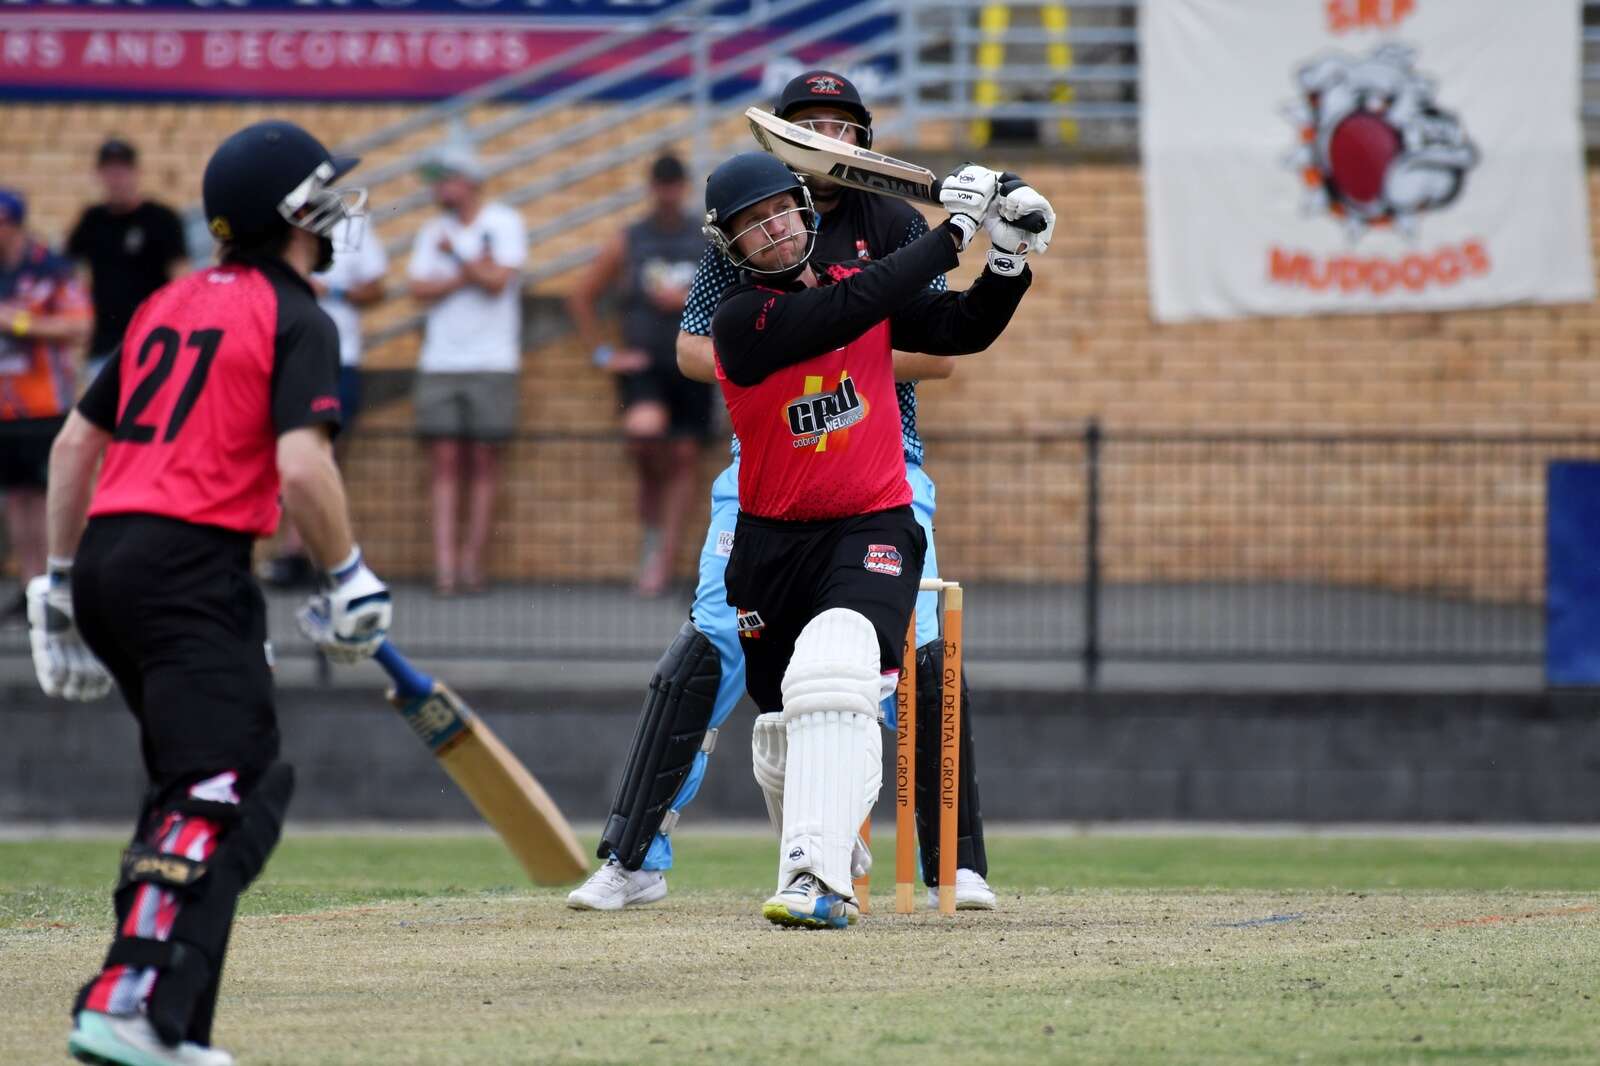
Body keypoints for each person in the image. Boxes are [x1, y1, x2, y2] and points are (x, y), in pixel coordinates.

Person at [570, 71, 1029, 914]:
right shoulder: (741, 243)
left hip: (880, 468)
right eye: (806, 125)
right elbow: (697, 350)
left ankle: (953, 867)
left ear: (862, 140)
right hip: (765, 475)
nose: (825, 138)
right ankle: (634, 856)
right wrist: (813, 342)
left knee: (900, 654)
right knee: (728, 650)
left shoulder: (892, 222)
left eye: (840, 125)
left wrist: (1003, 256)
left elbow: (941, 345)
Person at [28, 120, 392, 1066]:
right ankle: (126, 1002)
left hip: (114, 555)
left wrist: (63, 583)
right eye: (324, 193)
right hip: (189, 568)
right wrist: (347, 574)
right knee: (217, 782)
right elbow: (303, 468)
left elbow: (76, 445)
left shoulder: (168, 299)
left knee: (229, 778)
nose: (338, 208)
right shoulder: (298, 312)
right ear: (290, 213)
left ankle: (176, 1024)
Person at [704, 150, 1042, 926]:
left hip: (871, 524)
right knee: (786, 729)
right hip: (770, 548)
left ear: (805, 209)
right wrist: (952, 228)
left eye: (780, 212)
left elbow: (962, 327)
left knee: (837, 670)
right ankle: (825, 850)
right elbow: (846, 312)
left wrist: (1007, 254)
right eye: (753, 226)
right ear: (733, 246)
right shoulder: (743, 323)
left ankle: (814, 884)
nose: (775, 232)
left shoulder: (859, 294)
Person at [567, 153, 711, 597]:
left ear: (683, 188)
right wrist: (604, 354)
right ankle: (651, 528)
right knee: (645, 434)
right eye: (660, 185)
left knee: (686, 455)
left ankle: (663, 559)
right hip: (644, 364)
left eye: (674, 185)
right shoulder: (631, 239)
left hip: (692, 363)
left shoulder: (703, 239)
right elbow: (582, 297)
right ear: (652, 188)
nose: (667, 193)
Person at [405, 146, 527, 596]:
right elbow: (418, 286)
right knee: (443, 462)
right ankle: (446, 567)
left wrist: (455, 259)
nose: (439, 189)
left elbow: (499, 283)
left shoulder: (503, 223)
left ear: (470, 181)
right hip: (441, 360)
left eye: (446, 179)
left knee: (483, 461)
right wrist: (468, 269)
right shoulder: (432, 230)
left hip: (492, 361)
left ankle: (472, 563)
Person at [263, 214, 389, 588]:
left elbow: (376, 287)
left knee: (317, 455)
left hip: (335, 358)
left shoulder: (353, 228)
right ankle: (306, 554)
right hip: (286, 353)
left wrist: (330, 292)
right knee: (293, 458)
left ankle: (309, 553)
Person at [0, 186, 92, 623]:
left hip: (45, 404)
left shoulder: (50, 269)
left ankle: (58, 586)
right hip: (5, 406)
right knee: (17, 498)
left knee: (48, 496)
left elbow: (78, 325)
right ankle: (28, 583)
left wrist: (17, 322)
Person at [66, 138, 189, 382]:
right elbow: (70, 274)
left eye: (122, 171)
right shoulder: (92, 221)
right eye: (110, 171)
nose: (116, 179)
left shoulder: (160, 219)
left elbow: (181, 278)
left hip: (153, 341)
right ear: (99, 175)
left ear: (135, 173)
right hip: (105, 344)